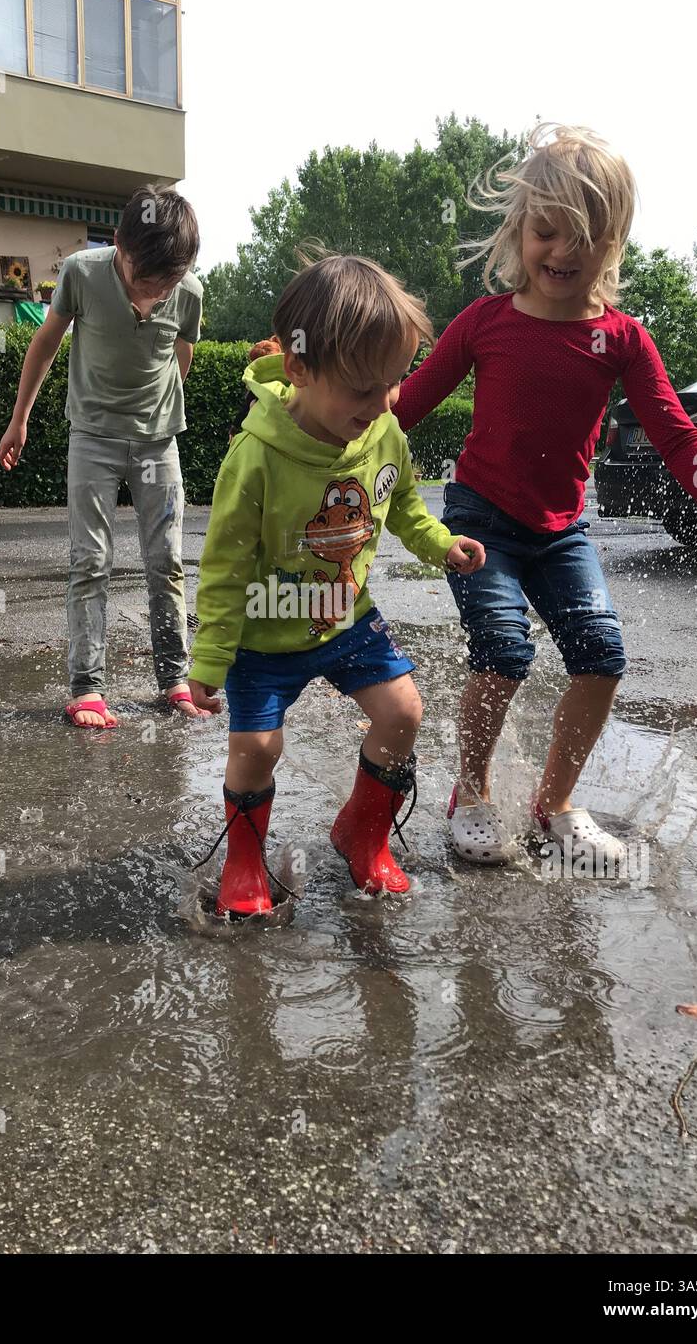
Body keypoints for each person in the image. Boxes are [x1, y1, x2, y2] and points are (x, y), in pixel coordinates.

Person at [393, 123, 697, 870]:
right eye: (547, 232)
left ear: (612, 245)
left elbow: (675, 434)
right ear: (519, 231)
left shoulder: (622, 339)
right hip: (480, 519)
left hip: (561, 529)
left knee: (600, 656)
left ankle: (555, 805)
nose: (562, 252)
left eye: (585, 238)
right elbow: (401, 410)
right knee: (502, 651)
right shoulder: (485, 323)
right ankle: (469, 794)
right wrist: (318, 439)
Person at [187, 254, 485, 917]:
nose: (381, 404)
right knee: (256, 746)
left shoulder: (381, 431)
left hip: (344, 617)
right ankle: (242, 860)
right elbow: (225, 564)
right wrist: (209, 659)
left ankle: (362, 832)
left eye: (393, 382)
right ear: (299, 368)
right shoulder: (256, 456)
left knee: (402, 711)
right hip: (264, 628)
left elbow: (401, 505)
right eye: (360, 388)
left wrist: (441, 543)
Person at [0, 186, 209, 726]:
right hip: (92, 436)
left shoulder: (188, 292)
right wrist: (19, 419)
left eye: (166, 285)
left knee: (167, 563)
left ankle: (175, 679)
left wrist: (167, 404)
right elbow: (45, 341)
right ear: (118, 244)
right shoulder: (81, 274)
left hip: (159, 442)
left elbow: (182, 347)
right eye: (144, 282)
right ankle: (87, 687)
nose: (153, 296)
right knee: (90, 562)